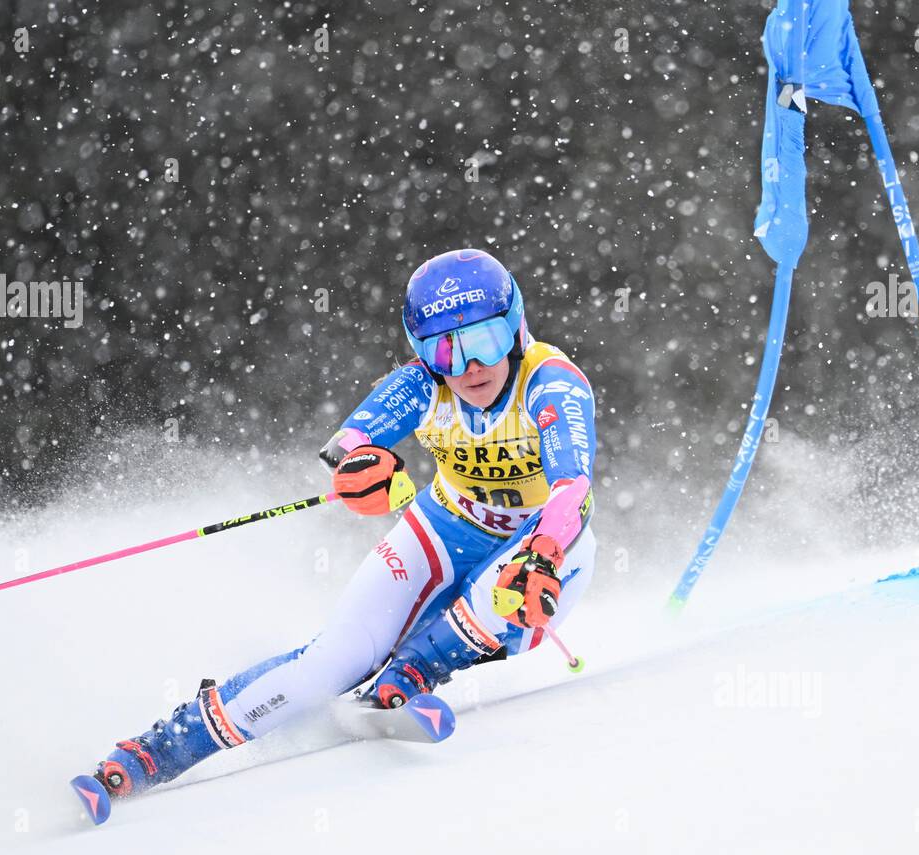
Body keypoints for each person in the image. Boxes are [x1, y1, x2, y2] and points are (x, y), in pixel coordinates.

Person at [87, 249, 598, 800]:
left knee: (506, 588)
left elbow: (573, 486)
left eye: (484, 341)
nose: (468, 366)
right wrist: (362, 474)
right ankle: (156, 750)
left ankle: (413, 672)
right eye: (444, 349)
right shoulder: (427, 385)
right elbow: (347, 446)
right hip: (445, 526)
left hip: (545, 542)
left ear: (516, 327)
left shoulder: (550, 382)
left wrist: (543, 550)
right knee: (327, 667)